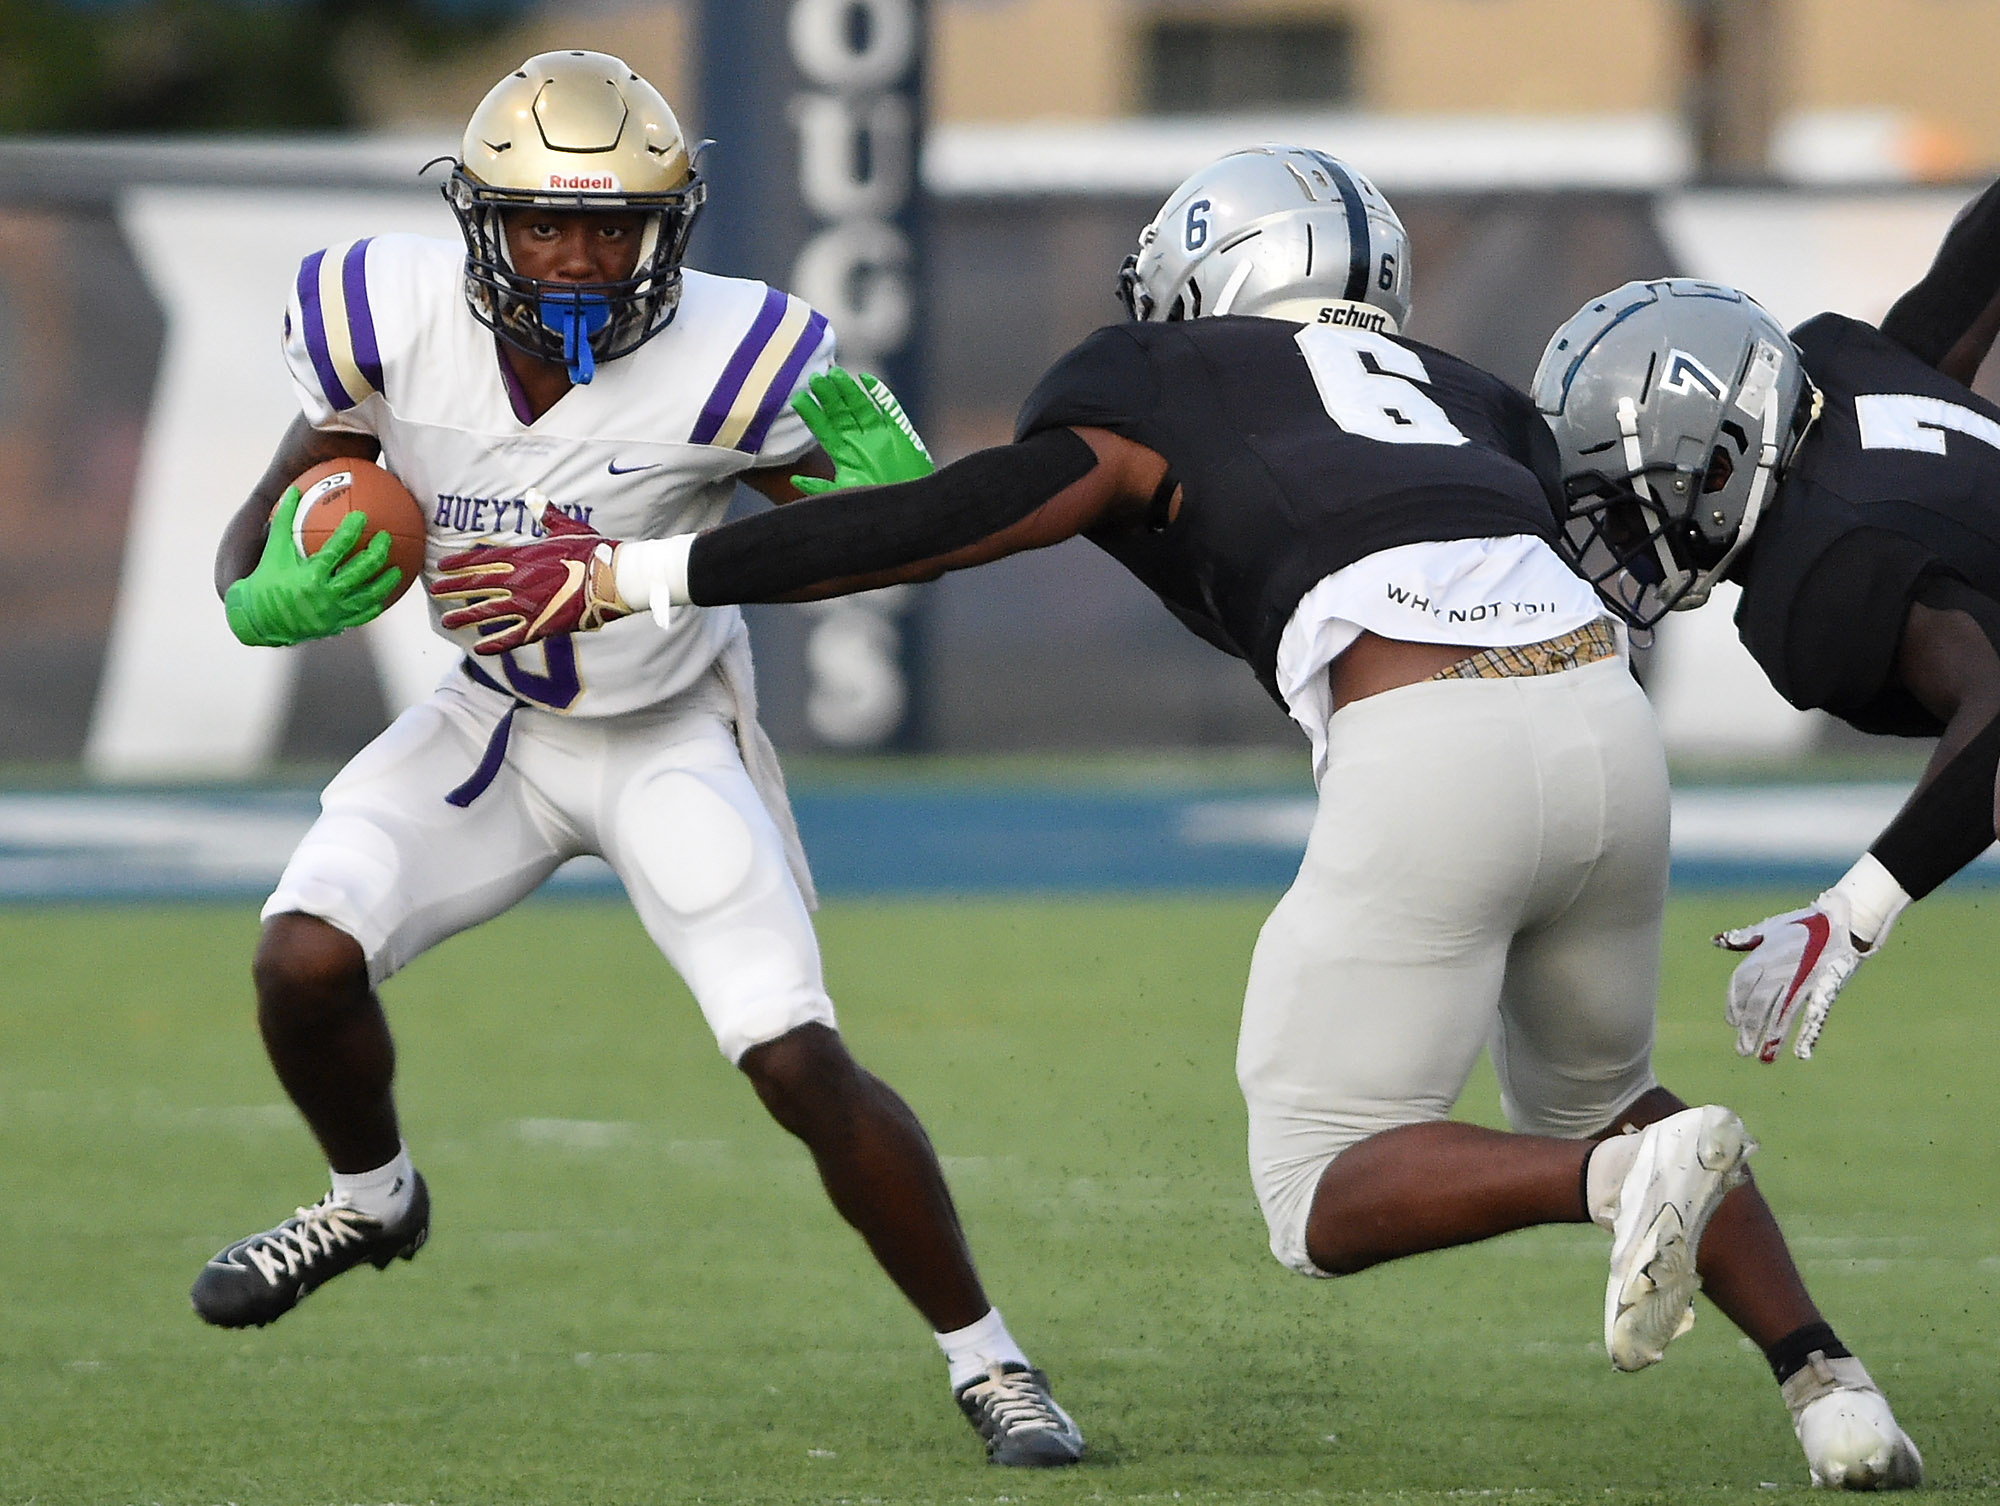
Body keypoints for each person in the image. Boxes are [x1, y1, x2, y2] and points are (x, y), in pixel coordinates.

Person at [429, 145, 1917, 1489]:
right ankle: (1830, 1389)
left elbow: (964, 522)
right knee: (1616, 1089)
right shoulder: (1465, 389)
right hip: (1609, 724)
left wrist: (636, 574)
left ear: (1208, 273)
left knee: (1320, 1184)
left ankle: (1610, 1184)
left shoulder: (1157, 377)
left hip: (1439, 742)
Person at [200, 50, 1083, 1470]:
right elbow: (268, 507)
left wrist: (877, 498)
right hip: (490, 722)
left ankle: (992, 1361)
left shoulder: (739, 354)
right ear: (482, 222)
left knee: (793, 1053)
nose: (583, 254)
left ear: (667, 227)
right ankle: (371, 1199)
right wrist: (256, 591)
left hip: (665, 730)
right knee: (300, 954)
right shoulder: (384, 314)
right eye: (548, 222)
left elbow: (866, 536)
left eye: (616, 224)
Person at [1532, 198, 2000, 1078]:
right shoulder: (1854, 371)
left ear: (1721, 463)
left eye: (1637, 507)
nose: (1627, 543)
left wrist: (1856, 909)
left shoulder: (1819, 579)